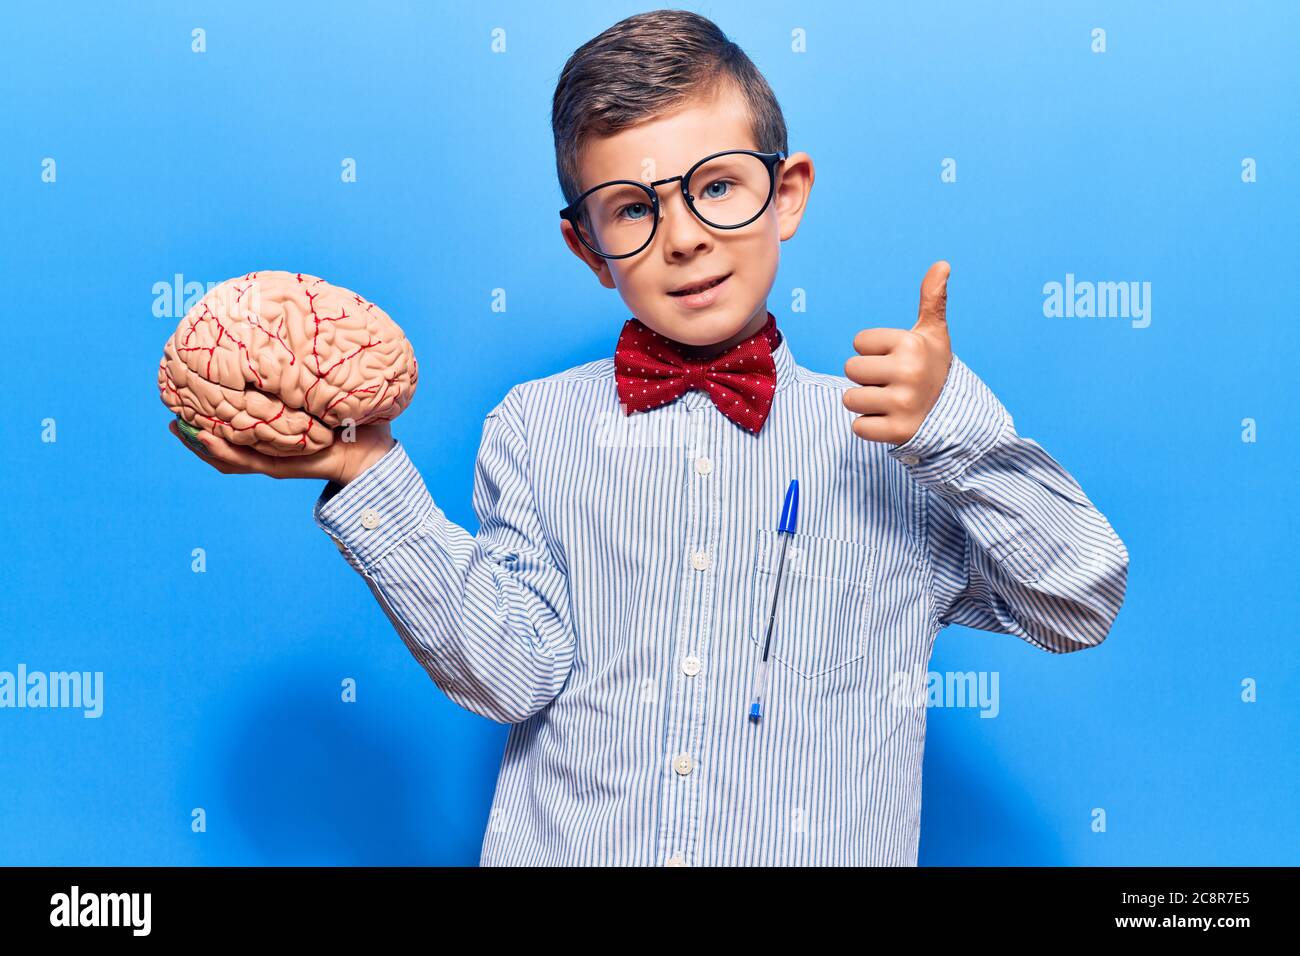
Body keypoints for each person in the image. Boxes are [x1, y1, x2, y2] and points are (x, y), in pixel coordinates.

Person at [170, 9, 1128, 866]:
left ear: (787, 193)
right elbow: (507, 674)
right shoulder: (534, 430)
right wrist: (365, 469)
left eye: (717, 187)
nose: (683, 239)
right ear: (586, 247)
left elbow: (1079, 599)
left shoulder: (892, 440)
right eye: (633, 208)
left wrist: (953, 430)